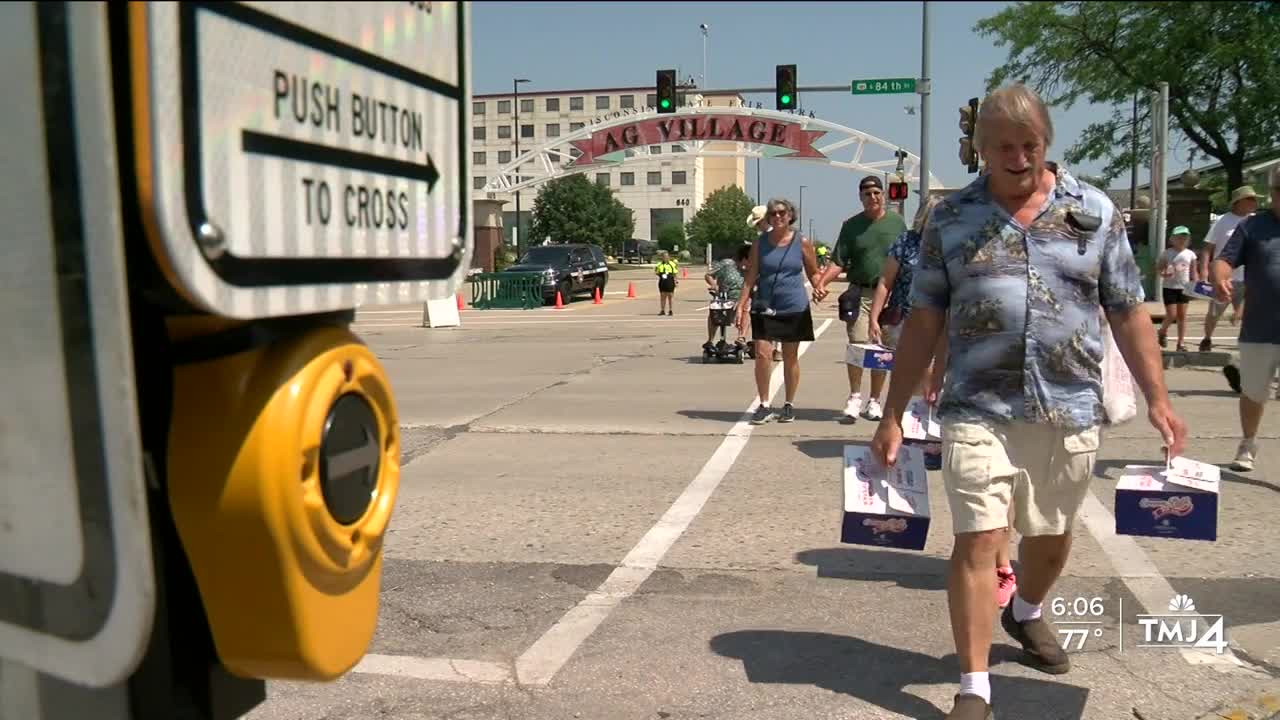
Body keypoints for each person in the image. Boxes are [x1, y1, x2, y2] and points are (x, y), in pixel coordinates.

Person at [870, 83, 1186, 720]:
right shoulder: (951, 219)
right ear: (980, 150)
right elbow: (926, 316)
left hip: (1067, 404)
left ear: (1047, 144)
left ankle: (1028, 609)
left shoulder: (1093, 213)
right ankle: (974, 685)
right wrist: (892, 412)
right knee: (980, 540)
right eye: (1003, 148)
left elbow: (1127, 311)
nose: (1018, 159)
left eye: (1030, 146)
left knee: (1050, 534)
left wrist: (1160, 399)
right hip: (976, 406)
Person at [869, 195, 1021, 610]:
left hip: (991, 371)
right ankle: (994, 562)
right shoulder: (911, 247)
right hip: (942, 357)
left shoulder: (978, 244)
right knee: (978, 476)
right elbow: (927, 313)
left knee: (999, 478)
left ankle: (1001, 562)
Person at [813, 176, 908, 423]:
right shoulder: (851, 226)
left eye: (876, 192)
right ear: (860, 197)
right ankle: (855, 396)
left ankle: (875, 400)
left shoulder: (897, 224)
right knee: (857, 345)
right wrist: (822, 282)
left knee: (881, 350)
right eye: (867, 194)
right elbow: (838, 261)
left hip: (891, 295)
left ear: (883, 195)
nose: (872, 197)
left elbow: (908, 257)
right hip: (862, 293)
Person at [1211, 165, 1280, 472]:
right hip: (1259, 327)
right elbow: (1224, 260)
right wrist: (1220, 278)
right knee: (1253, 391)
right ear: (1274, 193)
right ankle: (1248, 443)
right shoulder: (1253, 226)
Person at [735, 198, 821, 424]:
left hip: (794, 305)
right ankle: (764, 404)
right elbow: (751, 275)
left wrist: (820, 287)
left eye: (782, 212)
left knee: (790, 358)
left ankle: (789, 404)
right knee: (763, 354)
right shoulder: (759, 244)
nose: (778, 216)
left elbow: (813, 272)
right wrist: (741, 303)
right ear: (768, 218)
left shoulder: (801, 241)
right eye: (773, 213)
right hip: (765, 304)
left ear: (790, 215)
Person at [1199, 186, 1258, 351]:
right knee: (1214, 313)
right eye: (1251, 199)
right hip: (1224, 278)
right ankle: (1207, 338)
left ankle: (1247, 344)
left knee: (1250, 314)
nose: (1255, 202)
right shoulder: (1223, 221)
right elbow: (1207, 248)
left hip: (1248, 277)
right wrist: (1204, 270)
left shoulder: (1256, 221)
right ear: (1239, 202)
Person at [703, 243, 753, 351]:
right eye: (749, 260)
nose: (750, 264)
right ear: (743, 258)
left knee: (746, 309)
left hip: (742, 299)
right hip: (724, 297)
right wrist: (714, 285)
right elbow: (708, 275)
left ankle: (741, 338)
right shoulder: (727, 264)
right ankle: (710, 340)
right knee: (714, 311)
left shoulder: (751, 270)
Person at [1156, 226, 1198, 351]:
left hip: (1184, 287)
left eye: (1184, 237)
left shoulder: (1190, 254)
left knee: (1182, 316)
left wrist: (1196, 285)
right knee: (1171, 314)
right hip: (1169, 287)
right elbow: (1159, 269)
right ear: (1172, 239)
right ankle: (1162, 331)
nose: (1181, 240)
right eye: (1178, 237)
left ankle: (1181, 343)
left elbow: (1194, 272)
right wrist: (1165, 272)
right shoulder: (1167, 253)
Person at [655, 251, 679, 315]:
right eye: (664, 256)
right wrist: (661, 274)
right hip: (662, 281)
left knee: (670, 296)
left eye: (666, 256)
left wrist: (676, 281)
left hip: (670, 281)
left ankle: (670, 310)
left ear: (668, 257)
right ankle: (662, 310)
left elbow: (675, 273)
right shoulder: (659, 264)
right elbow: (656, 272)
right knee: (663, 296)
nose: (665, 258)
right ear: (662, 257)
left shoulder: (672, 264)